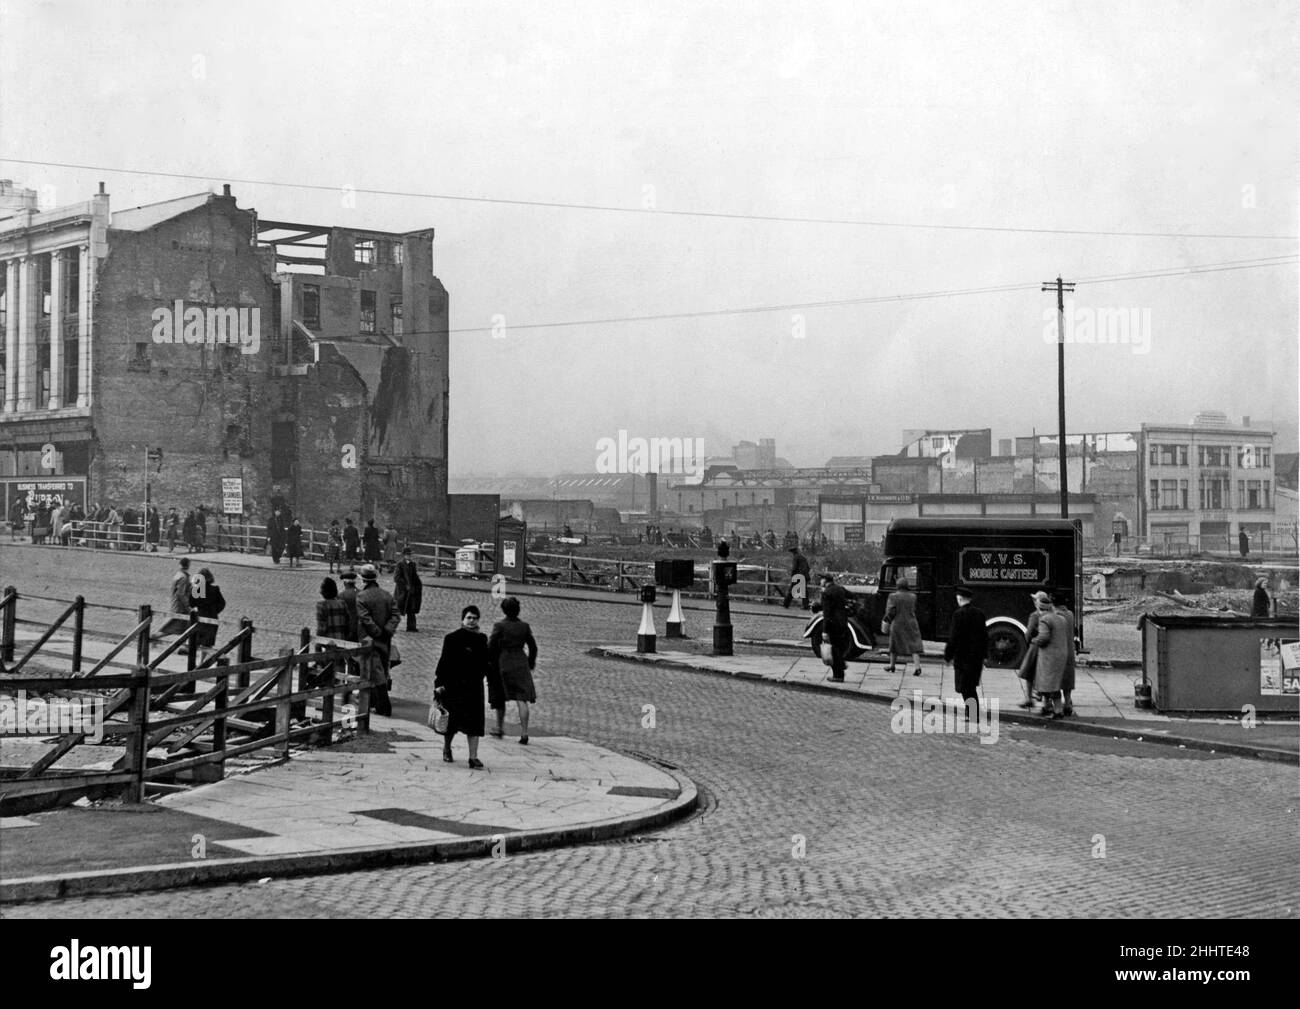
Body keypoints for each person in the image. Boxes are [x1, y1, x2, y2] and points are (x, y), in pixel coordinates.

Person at [434, 605, 493, 768]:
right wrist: (439, 684)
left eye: (475, 618)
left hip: (474, 687)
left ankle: (473, 757)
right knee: (451, 722)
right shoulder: (452, 638)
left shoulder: (482, 639)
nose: (472, 621)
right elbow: (444, 662)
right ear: (462, 619)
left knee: (474, 723)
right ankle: (447, 748)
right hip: (454, 686)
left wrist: (490, 678)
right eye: (469, 617)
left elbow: (486, 662)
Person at [488, 596, 538, 743]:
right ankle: (524, 732)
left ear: (504, 610)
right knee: (522, 699)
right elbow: (533, 647)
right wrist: (530, 662)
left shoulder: (500, 626)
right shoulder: (525, 626)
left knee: (500, 696)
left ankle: (499, 727)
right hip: (521, 662)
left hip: (503, 662)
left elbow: (491, 646)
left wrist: (490, 661)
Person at [355, 563, 399, 717]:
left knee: (372, 672)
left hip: (369, 639)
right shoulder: (387, 595)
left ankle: (382, 706)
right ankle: (376, 704)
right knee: (383, 670)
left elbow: (365, 618)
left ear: (363, 579)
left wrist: (376, 632)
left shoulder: (361, 596)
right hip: (385, 640)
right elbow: (395, 615)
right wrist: (387, 630)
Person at [944, 585, 989, 721]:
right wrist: (985, 655)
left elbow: (953, 637)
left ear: (959, 598)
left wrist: (948, 656)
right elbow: (984, 636)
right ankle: (973, 713)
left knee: (964, 686)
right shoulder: (980, 613)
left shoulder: (958, 614)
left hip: (962, 656)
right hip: (976, 657)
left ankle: (973, 714)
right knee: (970, 686)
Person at [1032, 593, 1071, 719]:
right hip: (1062, 655)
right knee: (1055, 684)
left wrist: (1034, 640)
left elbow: (1043, 637)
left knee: (1049, 684)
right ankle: (1057, 709)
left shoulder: (1045, 619)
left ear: (1040, 607)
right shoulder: (1061, 618)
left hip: (1049, 657)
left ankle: (1056, 710)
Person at [883, 576, 924, 676]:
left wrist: (886, 620)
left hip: (897, 623)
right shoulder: (913, 596)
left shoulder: (893, 596)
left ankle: (892, 665)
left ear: (898, 586)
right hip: (911, 622)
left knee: (894, 645)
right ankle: (917, 667)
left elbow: (891, 611)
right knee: (914, 646)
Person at [1018, 591, 1053, 709]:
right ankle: (1046, 702)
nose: (1034, 602)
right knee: (1044, 675)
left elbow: (1028, 633)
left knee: (1028, 673)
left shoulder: (1035, 615)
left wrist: (1030, 643)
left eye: (1035, 600)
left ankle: (1028, 699)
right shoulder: (1052, 614)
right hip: (1048, 647)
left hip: (1035, 646)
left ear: (1038, 602)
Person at [818, 573, 851, 682]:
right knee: (840, 648)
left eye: (821, 579)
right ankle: (841, 664)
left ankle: (838, 675)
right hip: (843, 622)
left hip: (833, 624)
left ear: (825, 580)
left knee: (834, 650)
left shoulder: (826, 593)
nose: (820, 581)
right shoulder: (840, 589)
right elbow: (852, 596)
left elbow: (827, 614)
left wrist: (824, 631)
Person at [1053, 590, 1077, 717]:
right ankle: (1068, 703)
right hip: (1069, 651)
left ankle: (1057, 707)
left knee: (1055, 681)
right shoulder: (1070, 614)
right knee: (1067, 680)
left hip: (1057, 651)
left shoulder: (1055, 615)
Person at [158, 557, 194, 636]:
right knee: (172, 629)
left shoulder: (178, 575)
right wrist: (188, 605)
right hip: (180, 608)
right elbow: (181, 594)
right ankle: (153, 638)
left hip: (176, 605)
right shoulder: (184, 578)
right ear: (188, 566)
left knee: (180, 629)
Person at [193, 567, 226, 648]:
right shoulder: (215, 589)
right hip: (212, 619)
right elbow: (222, 603)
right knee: (207, 644)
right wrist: (214, 611)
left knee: (196, 641)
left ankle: (193, 658)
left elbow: (192, 603)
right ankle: (202, 661)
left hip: (199, 618)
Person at [393, 546, 423, 632]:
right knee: (398, 609)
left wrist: (417, 585)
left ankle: (411, 626)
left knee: (411, 609)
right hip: (402, 592)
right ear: (404, 555)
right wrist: (405, 585)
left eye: (410, 555)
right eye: (407, 555)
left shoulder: (412, 565)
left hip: (411, 591)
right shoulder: (400, 565)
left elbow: (415, 576)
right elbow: (396, 578)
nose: (409, 556)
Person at [784, 544, 811, 610]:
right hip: (804, 576)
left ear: (793, 552)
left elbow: (794, 568)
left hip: (798, 575)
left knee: (792, 590)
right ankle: (805, 605)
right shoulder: (802, 557)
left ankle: (786, 604)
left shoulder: (796, 558)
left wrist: (793, 576)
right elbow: (808, 567)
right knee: (804, 591)